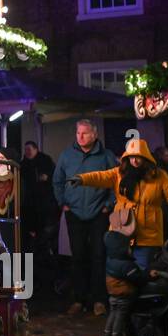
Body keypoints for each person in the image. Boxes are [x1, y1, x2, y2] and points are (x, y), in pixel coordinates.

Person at [69, 137, 168, 271]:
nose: (134, 161)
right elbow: (101, 176)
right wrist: (82, 178)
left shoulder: (160, 176)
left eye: (138, 157)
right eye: (131, 157)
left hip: (147, 236)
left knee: (141, 274)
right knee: (119, 273)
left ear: (146, 157)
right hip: (121, 234)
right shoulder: (119, 173)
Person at [52, 119, 118, 316]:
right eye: (78, 133)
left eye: (85, 133)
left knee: (99, 256)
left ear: (94, 135)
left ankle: (99, 300)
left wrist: (108, 205)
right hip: (74, 212)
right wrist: (62, 202)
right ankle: (78, 299)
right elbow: (57, 181)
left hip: (99, 212)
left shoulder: (106, 156)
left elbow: (116, 181)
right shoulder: (66, 156)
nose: (80, 137)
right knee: (78, 256)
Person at [100, 211, 163, 336]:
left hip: (113, 293)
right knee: (120, 315)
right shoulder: (126, 265)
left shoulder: (111, 261)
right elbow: (137, 278)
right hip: (124, 294)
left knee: (113, 313)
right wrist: (148, 275)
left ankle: (106, 335)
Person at [18, 141, 57, 254]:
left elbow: (55, 176)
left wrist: (47, 177)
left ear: (36, 149)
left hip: (45, 201)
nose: (27, 152)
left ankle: (45, 252)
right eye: (26, 150)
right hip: (29, 202)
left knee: (45, 230)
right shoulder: (23, 164)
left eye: (29, 149)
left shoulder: (45, 160)